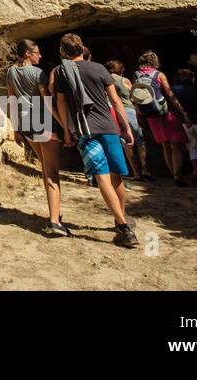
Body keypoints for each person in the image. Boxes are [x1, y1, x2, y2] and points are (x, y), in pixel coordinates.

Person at [49, 33, 139, 248]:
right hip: (109, 127)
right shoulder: (99, 68)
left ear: (63, 51)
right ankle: (121, 221)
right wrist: (126, 127)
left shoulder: (62, 72)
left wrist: (67, 130)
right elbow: (115, 100)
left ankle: (123, 226)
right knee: (116, 175)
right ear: (82, 48)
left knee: (102, 177)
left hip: (84, 130)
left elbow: (60, 103)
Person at [6, 39, 68, 236]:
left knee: (45, 167)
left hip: (26, 125)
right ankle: (55, 222)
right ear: (27, 54)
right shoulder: (38, 73)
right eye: (37, 53)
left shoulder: (11, 72)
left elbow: (12, 99)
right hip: (43, 124)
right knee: (52, 173)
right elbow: (47, 102)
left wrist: (16, 129)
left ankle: (55, 212)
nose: (40, 56)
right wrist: (64, 126)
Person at [131, 51, 192, 186]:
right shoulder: (159, 75)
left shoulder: (136, 75)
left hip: (151, 115)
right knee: (176, 145)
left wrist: (139, 115)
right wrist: (182, 112)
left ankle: (173, 174)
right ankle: (178, 176)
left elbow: (136, 97)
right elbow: (170, 94)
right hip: (165, 112)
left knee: (165, 146)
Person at [106, 59, 150, 180]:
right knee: (140, 141)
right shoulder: (124, 80)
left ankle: (135, 173)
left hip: (115, 113)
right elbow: (134, 97)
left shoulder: (105, 79)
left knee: (126, 143)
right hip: (129, 111)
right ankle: (145, 170)